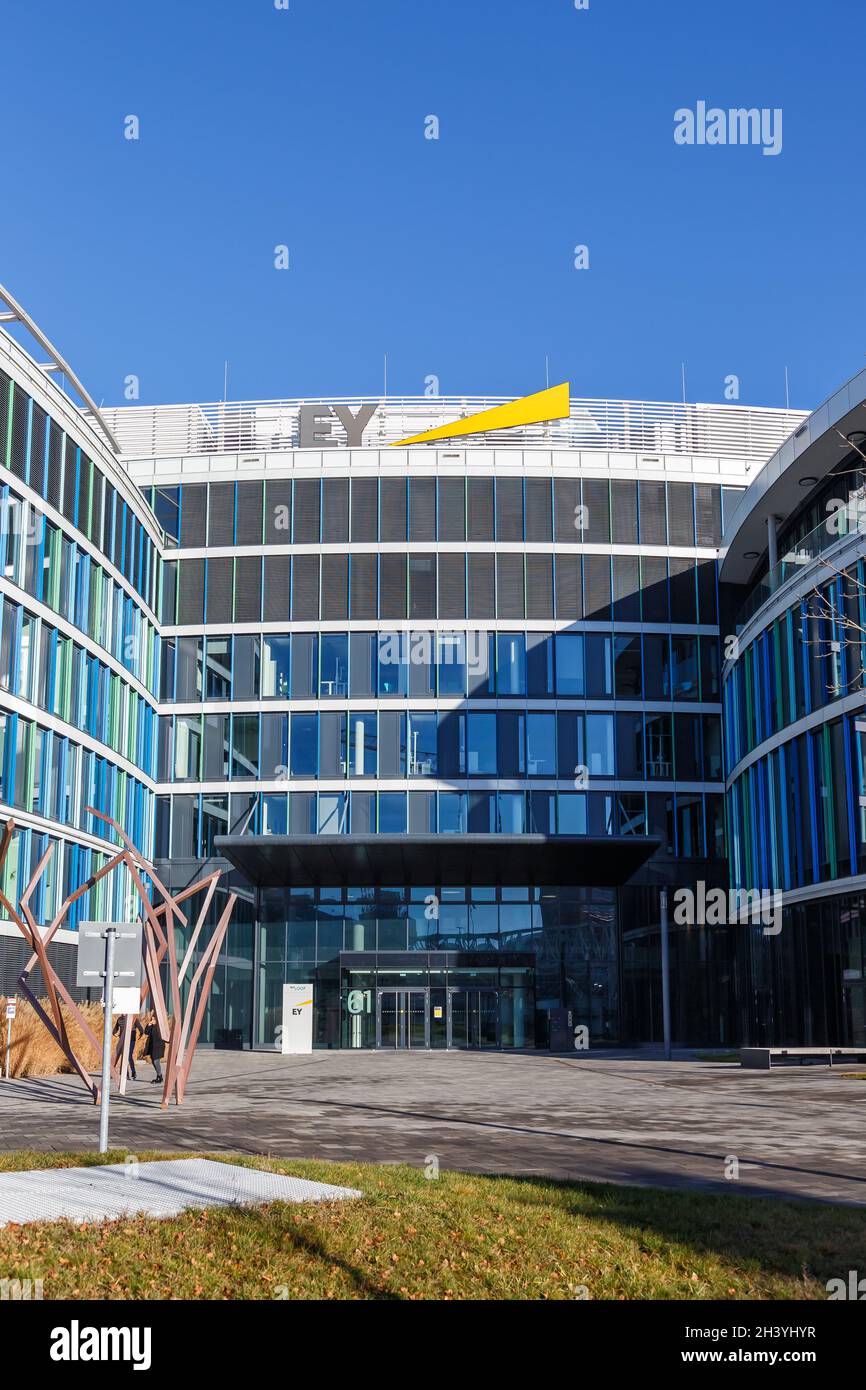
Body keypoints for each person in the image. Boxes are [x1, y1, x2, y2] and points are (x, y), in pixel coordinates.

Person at [112, 1013, 143, 1080]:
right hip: (122, 1040)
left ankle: (133, 1072)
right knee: (123, 1056)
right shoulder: (119, 1019)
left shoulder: (133, 1018)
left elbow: (140, 1028)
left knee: (128, 1055)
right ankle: (126, 1074)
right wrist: (113, 1033)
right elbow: (116, 1028)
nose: (123, 1013)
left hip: (131, 1039)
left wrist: (141, 1033)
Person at [143, 1011, 165, 1084]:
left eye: (154, 1019)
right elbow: (146, 1032)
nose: (152, 1020)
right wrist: (149, 1024)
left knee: (156, 1061)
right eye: (152, 1018)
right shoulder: (151, 1026)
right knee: (153, 1061)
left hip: (159, 1046)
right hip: (152, 1046)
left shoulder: (160, 1026)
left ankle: (159, 1077)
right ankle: (159, 1076)